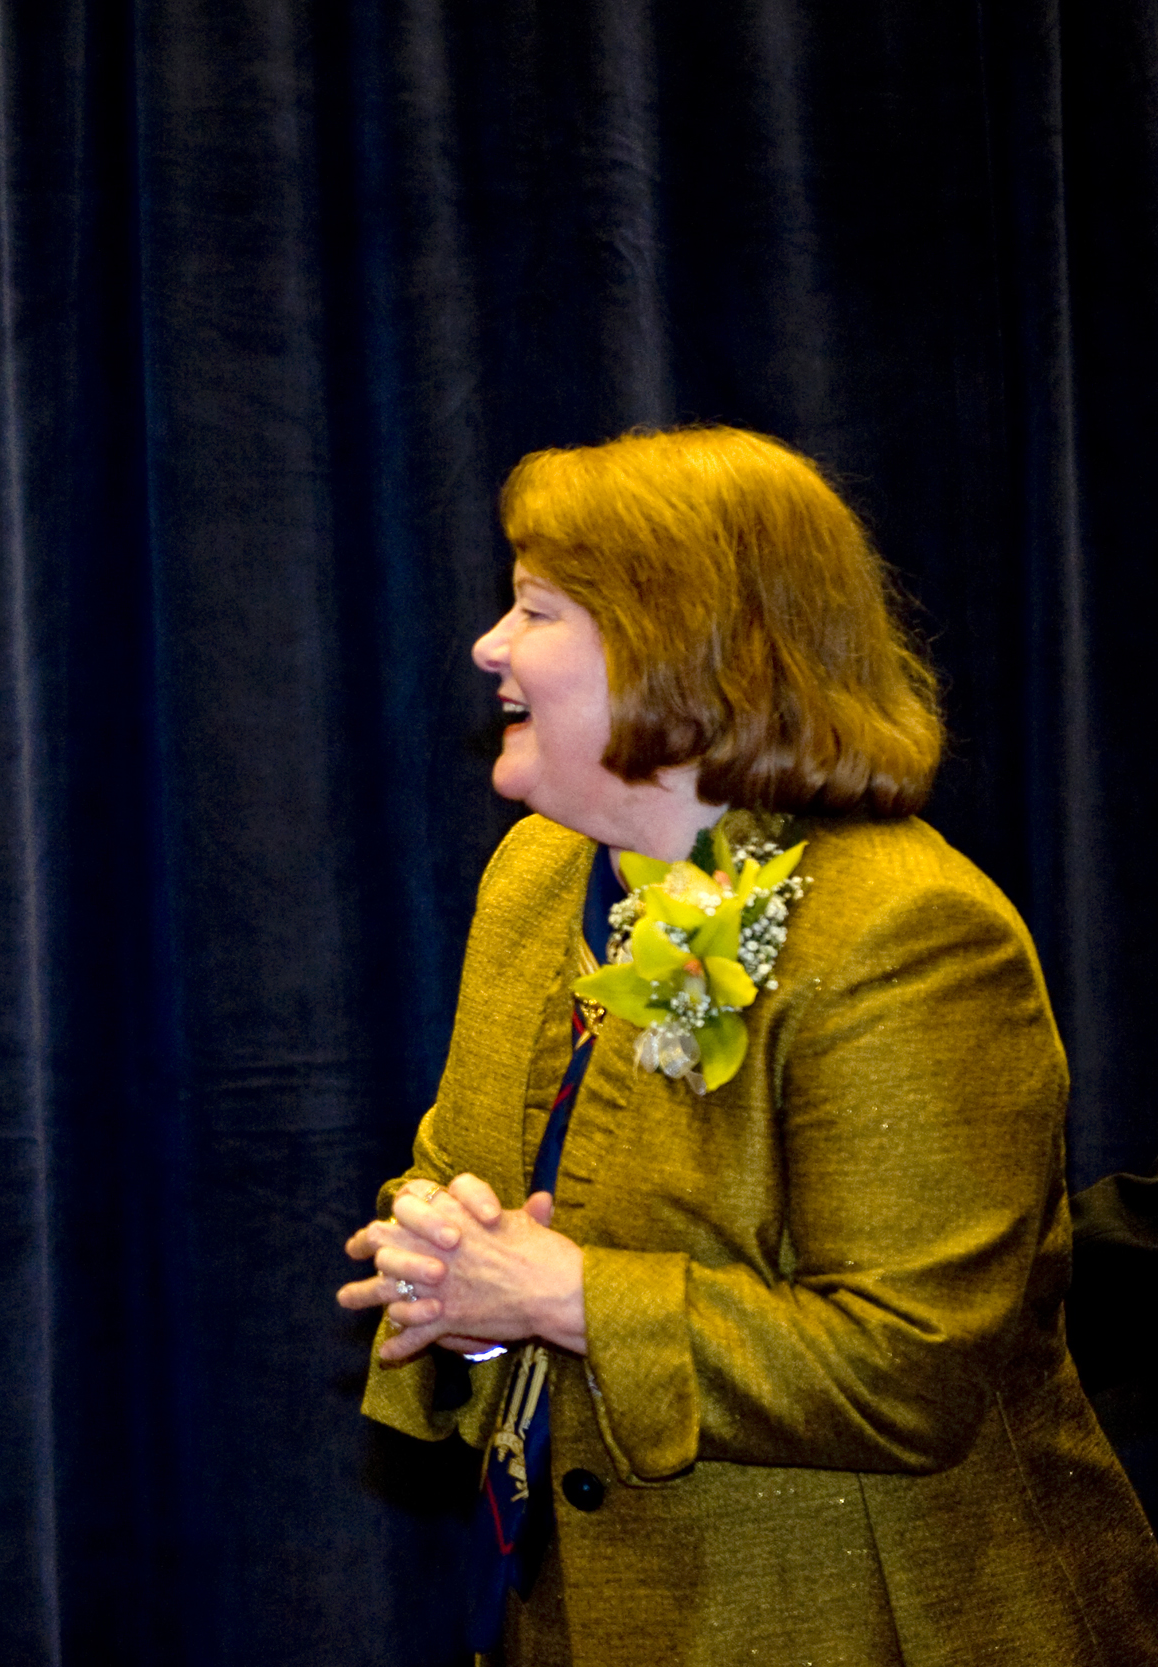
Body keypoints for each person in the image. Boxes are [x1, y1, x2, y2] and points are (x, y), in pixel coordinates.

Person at [338, 426, 1158, 1665]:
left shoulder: (909, 930)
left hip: (868, 1620)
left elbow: (907, 1364)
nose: (488, 647)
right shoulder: (536, 872)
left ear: (681, 649)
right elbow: (461, 1169)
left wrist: (561, 1293)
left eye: (536, 610)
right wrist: (452, 1276)